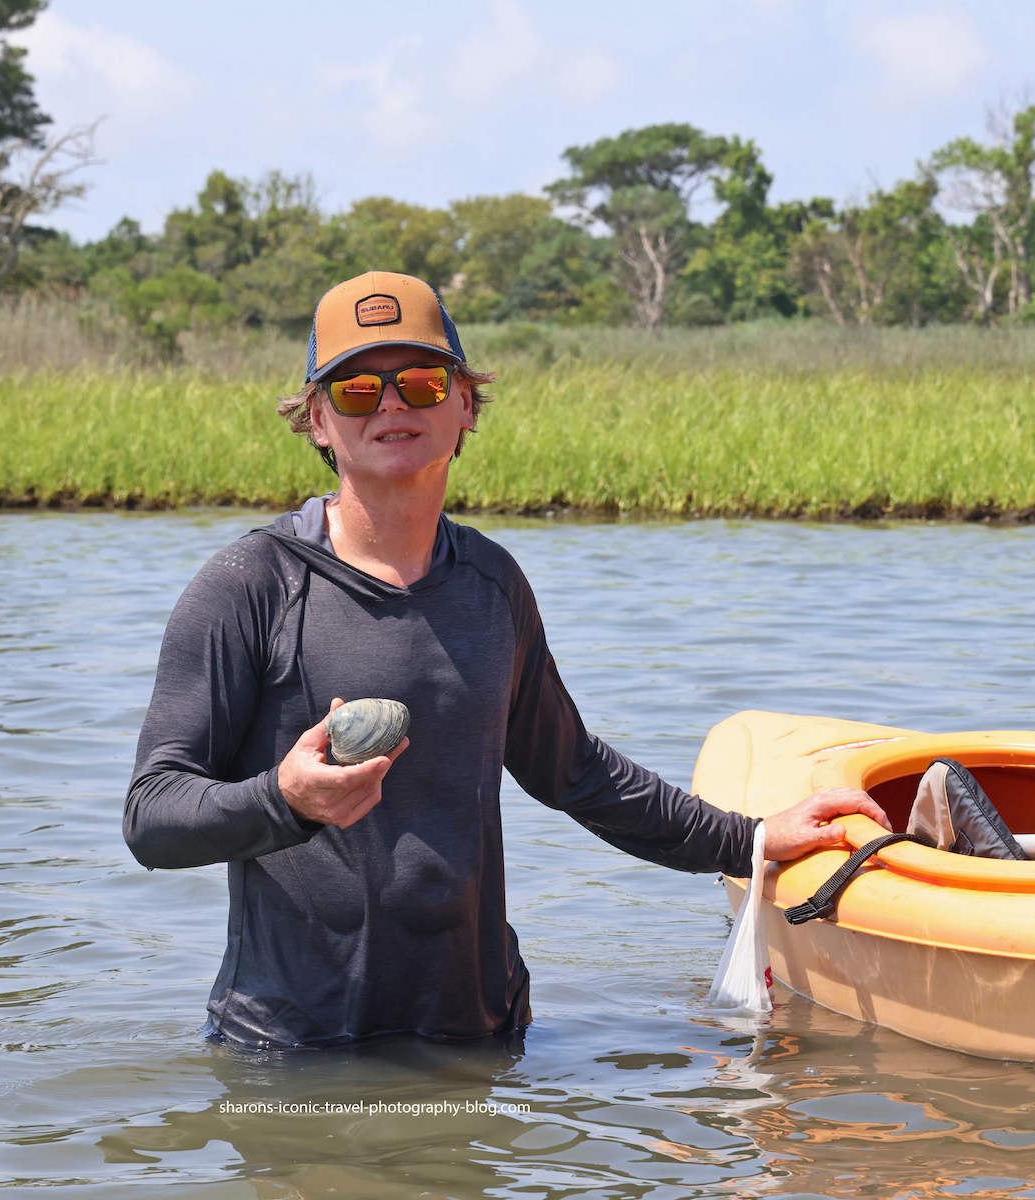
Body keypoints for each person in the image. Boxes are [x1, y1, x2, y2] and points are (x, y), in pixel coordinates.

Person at [124, 270, 888, 1048]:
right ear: (317, 420)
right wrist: (284, 799)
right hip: (294, 1055)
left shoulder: (491, 585)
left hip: (478, 1041)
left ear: (464, 404)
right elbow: (152, 815)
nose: (391, 405)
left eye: (420, 383)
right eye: (357, 391)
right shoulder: (251, 586)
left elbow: (576, 773)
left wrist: (750, 839)